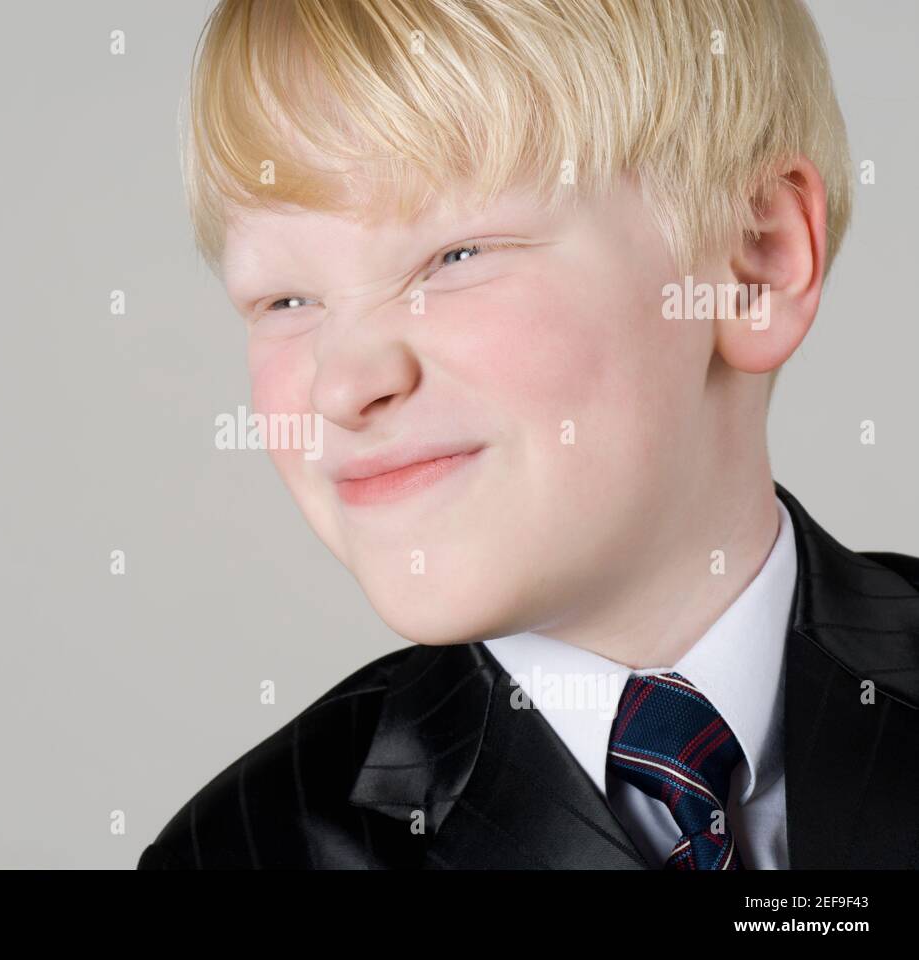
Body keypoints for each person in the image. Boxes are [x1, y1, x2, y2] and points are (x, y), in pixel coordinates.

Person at [138, 0, 918, 870]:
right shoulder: (243, 852)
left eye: (457, 257)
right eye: (285, 300)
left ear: (755, 261)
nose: (346, 383)